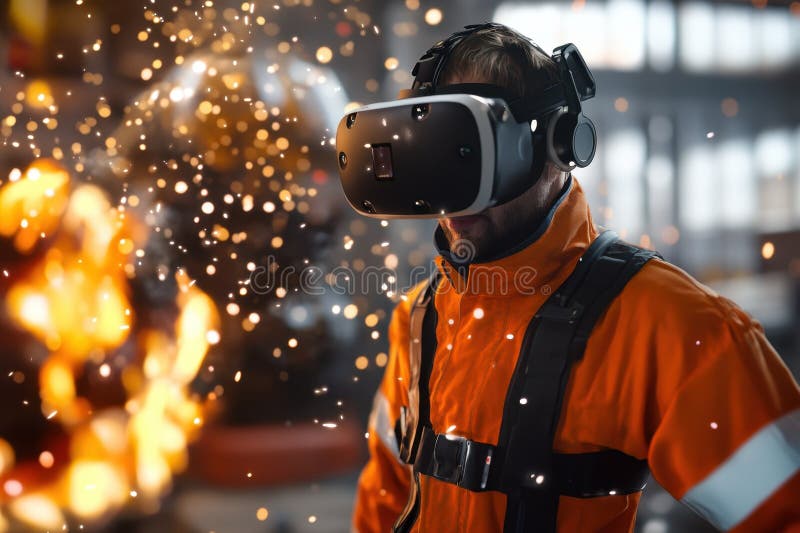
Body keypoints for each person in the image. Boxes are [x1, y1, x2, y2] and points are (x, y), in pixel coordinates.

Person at [352, 23, 800, 532]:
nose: (456, 198)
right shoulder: (420, 316)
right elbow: (386, 498)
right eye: (438, 158)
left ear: (557, 147)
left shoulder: (671, 325)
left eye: (476, 155)